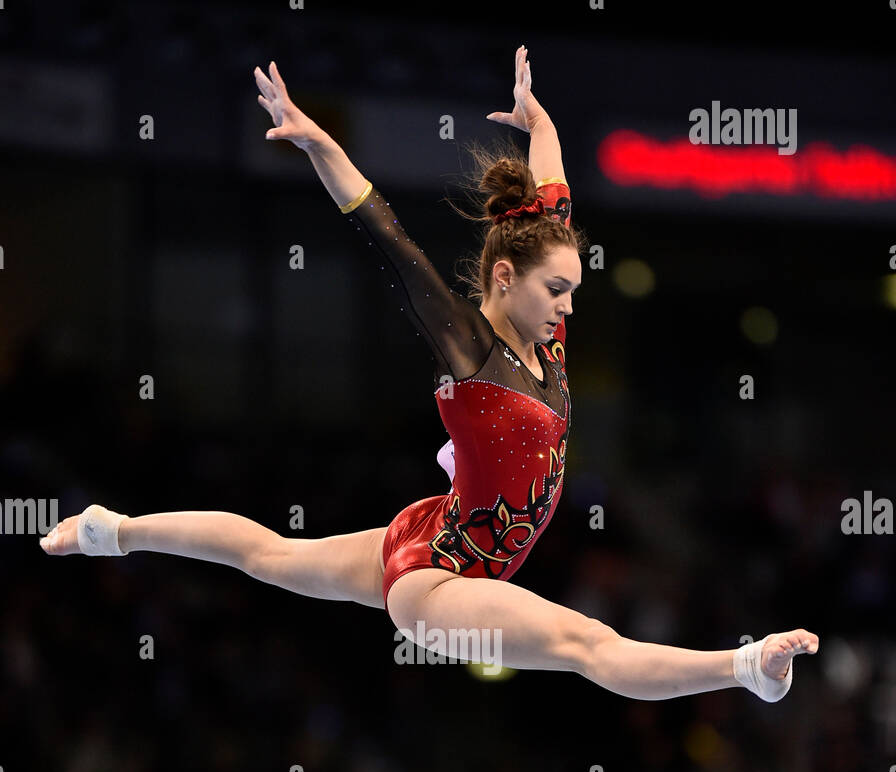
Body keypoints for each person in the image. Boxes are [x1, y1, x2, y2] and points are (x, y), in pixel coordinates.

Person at [40, 47, 818, 702]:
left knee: (270, 554)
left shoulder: (547, 339)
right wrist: (319, 145)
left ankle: (114, 529)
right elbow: (388, 235)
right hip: (438, 584)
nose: (567, 306)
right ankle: (748, 667)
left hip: (439, 532)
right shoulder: (470, 348)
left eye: (574, 291)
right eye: (556, 290)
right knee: (586, 643)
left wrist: (541, 125)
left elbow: (552, 196)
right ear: (505, 278)